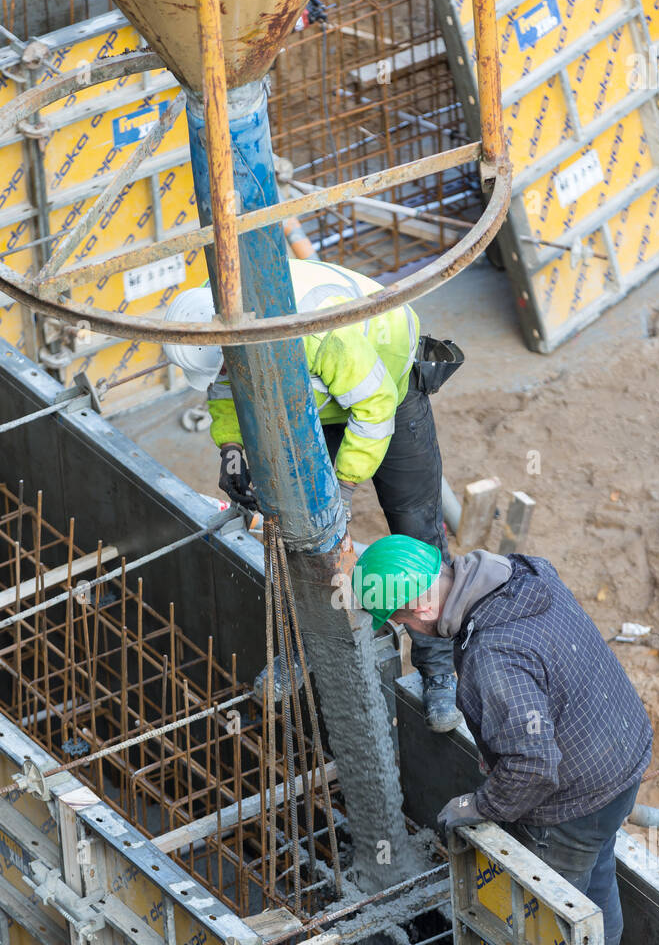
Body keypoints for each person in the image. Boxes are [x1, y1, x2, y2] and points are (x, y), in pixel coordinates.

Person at [349, 533, 654, 945]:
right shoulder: (521, 572)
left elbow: (533, 767)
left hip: (575, 797)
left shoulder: (491, 654)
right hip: (620, 757)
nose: (409, 633)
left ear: (421, 604)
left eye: (404, 621)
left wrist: (480, 806)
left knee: (553, 924)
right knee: (596, 890)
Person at [162, 257, 464, 731]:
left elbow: (374, 408)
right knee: (301, 530)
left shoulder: (319, 333)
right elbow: (225, 389)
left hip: (389, 386)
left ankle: (439, 669)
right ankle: (309, 644)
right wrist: (232, 449)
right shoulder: (212, 318)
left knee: (415, 527)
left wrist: (339, 488)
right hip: (318, 403)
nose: (223, 368)